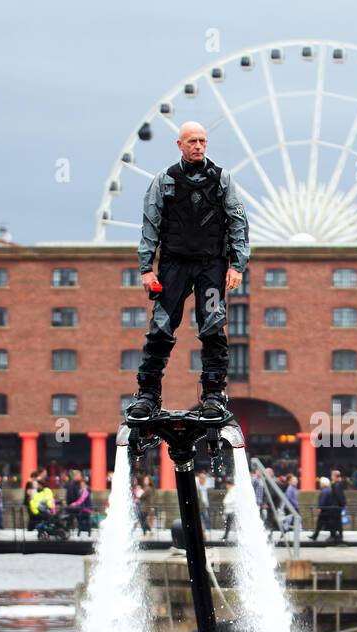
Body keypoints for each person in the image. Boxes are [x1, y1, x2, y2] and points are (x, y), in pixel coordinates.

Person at [125, 121, 250, 423]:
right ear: (179, 144)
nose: (198, 146)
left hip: (211, 266)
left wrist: (237, 265)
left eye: (203, 141)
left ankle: (213, 396)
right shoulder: (164, 181)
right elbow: (149, 225)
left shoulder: (223, 180)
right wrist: (146, 269)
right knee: (161, 329)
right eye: (192, 141)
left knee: (212, 329)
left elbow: (238, 223)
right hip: (174, 266)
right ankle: (147, 394)